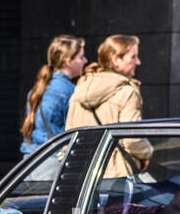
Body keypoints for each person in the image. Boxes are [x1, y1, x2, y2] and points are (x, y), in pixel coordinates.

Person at [65, 34, 152, 178]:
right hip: (115, 177)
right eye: (133, 57)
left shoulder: (81, 88)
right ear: (116, 59)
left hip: (81, 175)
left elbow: (69, 135)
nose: (138, 62)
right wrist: (146, 153)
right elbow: (132, 139)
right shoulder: (127, 92)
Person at [19, 34, 86, 155]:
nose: (85, 61)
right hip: (54, 160)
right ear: (69, 62)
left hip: (31, 160)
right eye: (81, 57)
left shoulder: (37, 88)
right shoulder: (70, 92)